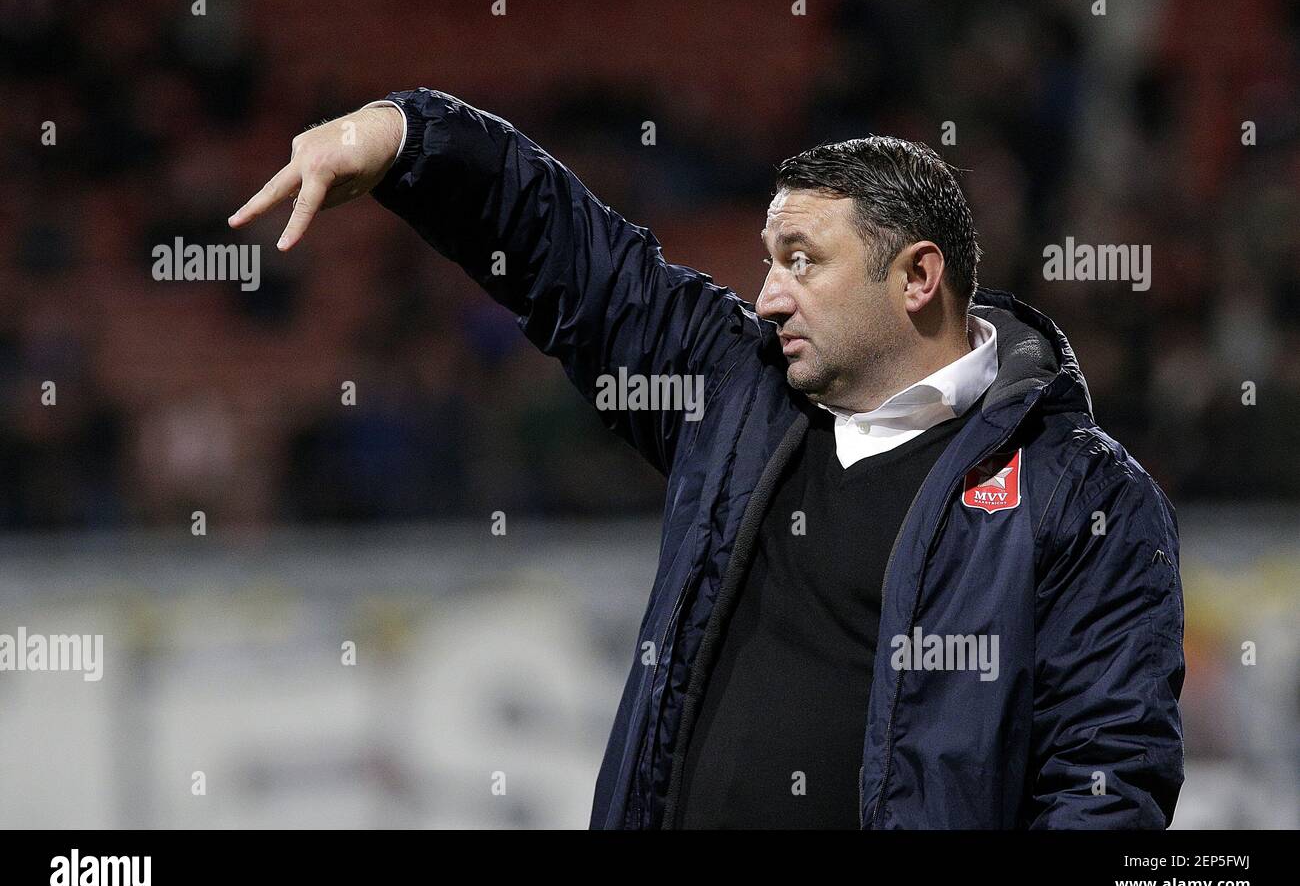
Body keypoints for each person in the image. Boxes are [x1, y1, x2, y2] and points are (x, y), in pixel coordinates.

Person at [230, 88, 1186, 829]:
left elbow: (1106, 775)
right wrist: (405, 137)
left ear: (918, 277)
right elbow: (572, 255)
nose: (768, 297)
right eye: (769, 260)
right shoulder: (733, 393)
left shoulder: (1082, 495)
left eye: (802, 260)